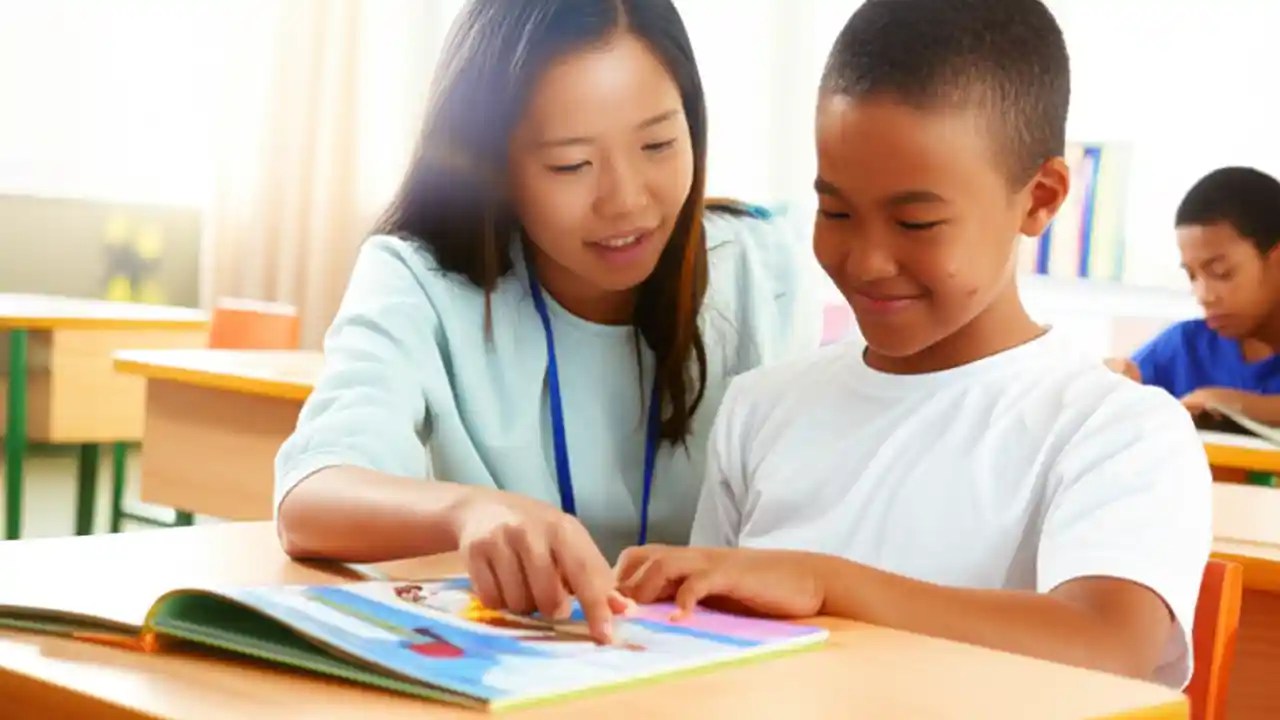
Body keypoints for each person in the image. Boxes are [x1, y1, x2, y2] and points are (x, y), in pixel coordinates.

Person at [614, 0, 1211, 688]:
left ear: (1040, 199)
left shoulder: (1118, 431)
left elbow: (1108, 648)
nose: (865, 260)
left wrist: (824, 583)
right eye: (836, 210)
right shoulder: (761, 408)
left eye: (917, 222)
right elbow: (699, 653)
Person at [273, 0, 822, 645]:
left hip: (715, 670)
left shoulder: (762, 266)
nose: (626, 200)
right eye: (571, 164)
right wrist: (469, 511)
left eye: (659, 144)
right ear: (495, 165)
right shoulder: (421, 278)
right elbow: (311, 499)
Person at [1107, 167, 1280, 423]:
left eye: (1221, 272)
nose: (1203, 295)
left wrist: (1231, 404)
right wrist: (1106, 386)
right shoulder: (1183, 347)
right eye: (1192, 276)